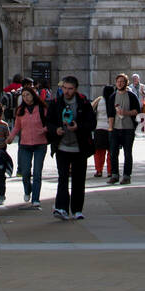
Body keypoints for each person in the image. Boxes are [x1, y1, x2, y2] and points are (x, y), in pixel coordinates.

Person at [46, 75, 96, 220]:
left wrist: (78, 127)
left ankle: (77, 209)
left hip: (79, 147)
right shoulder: (55, 102)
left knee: (79, 179)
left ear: (75, 89)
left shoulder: (83, 102)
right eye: (65, 88)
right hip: (61, 146)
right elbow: (48, 122)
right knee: (62, 178)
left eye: (70, 89)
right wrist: (56, 130)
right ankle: (61, 208)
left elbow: (91, 122)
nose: (67, 91)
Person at [7, 85, 47, 207]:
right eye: (23, 96)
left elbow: (50, 122)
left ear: (33, 95)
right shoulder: (20, 110)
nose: (25, 98)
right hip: (25, 144)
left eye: (27, 95)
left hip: (40, 143)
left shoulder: (42, 108)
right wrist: (11, 136)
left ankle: (36, 198)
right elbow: (17, 126)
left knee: (37, 172)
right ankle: (27, 190)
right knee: (25, 172)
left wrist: (44, 129)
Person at [106, 74, 140, 185]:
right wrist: (110, 129)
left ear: (126, 83)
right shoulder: (112, 97)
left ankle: (126, 176)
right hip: (115, 128)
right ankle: (114, 174)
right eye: (118, 81)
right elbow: (110, 114)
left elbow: (136, 111)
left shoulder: (131, 96)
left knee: (128, 153)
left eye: (122, 81)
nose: (120, 83)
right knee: (113, 153)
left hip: (128, 128)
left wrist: (125, 113)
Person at [91, 86, 113, 176]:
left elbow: (91, 109)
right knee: (111, 152)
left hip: (99, 128)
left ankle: (99, 170)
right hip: (111, 128)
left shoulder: (99, 100)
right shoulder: (114, 100)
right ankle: (110, 171)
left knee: (99, 152)